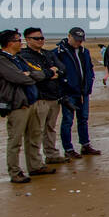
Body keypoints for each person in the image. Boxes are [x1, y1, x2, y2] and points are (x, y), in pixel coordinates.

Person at [0, 29, 53, 181]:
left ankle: (35, 166)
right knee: (15, 140)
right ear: (9, 43)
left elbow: (36, 73)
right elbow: (19, 78)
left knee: (34, 136)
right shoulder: (1, 60)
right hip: (17, 105)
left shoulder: (18, 58)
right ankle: (15, 172)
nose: (21, 43)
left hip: (31, 102)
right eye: (18, 40)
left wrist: (34, 75)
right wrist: (32, 76)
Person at [21, 26, 67, 165]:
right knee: (36, 131)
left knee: (50, 128)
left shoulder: (48, 54)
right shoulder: (24, 56)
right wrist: (49, 73)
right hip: (39, 98)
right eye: (37, 38)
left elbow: (62, 69)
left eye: (42, 38)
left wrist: (53, 73)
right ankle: (35, 162)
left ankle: (52, 154)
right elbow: (34, 75)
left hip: (54, 96)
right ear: (27, 40)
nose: (40, 40)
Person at [53, 27, 101, 159]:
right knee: (68, 120)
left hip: (83, 92)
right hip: (68, 93)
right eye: (76, 39)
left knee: (83, 119)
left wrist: (88, 85)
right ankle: (68, 148)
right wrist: (62, 91)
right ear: (69, 36)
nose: (78, 43)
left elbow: (89, 70)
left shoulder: (85, 52)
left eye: (81, 40)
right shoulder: (58, 52)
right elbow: (58, 73)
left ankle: (85, 145)